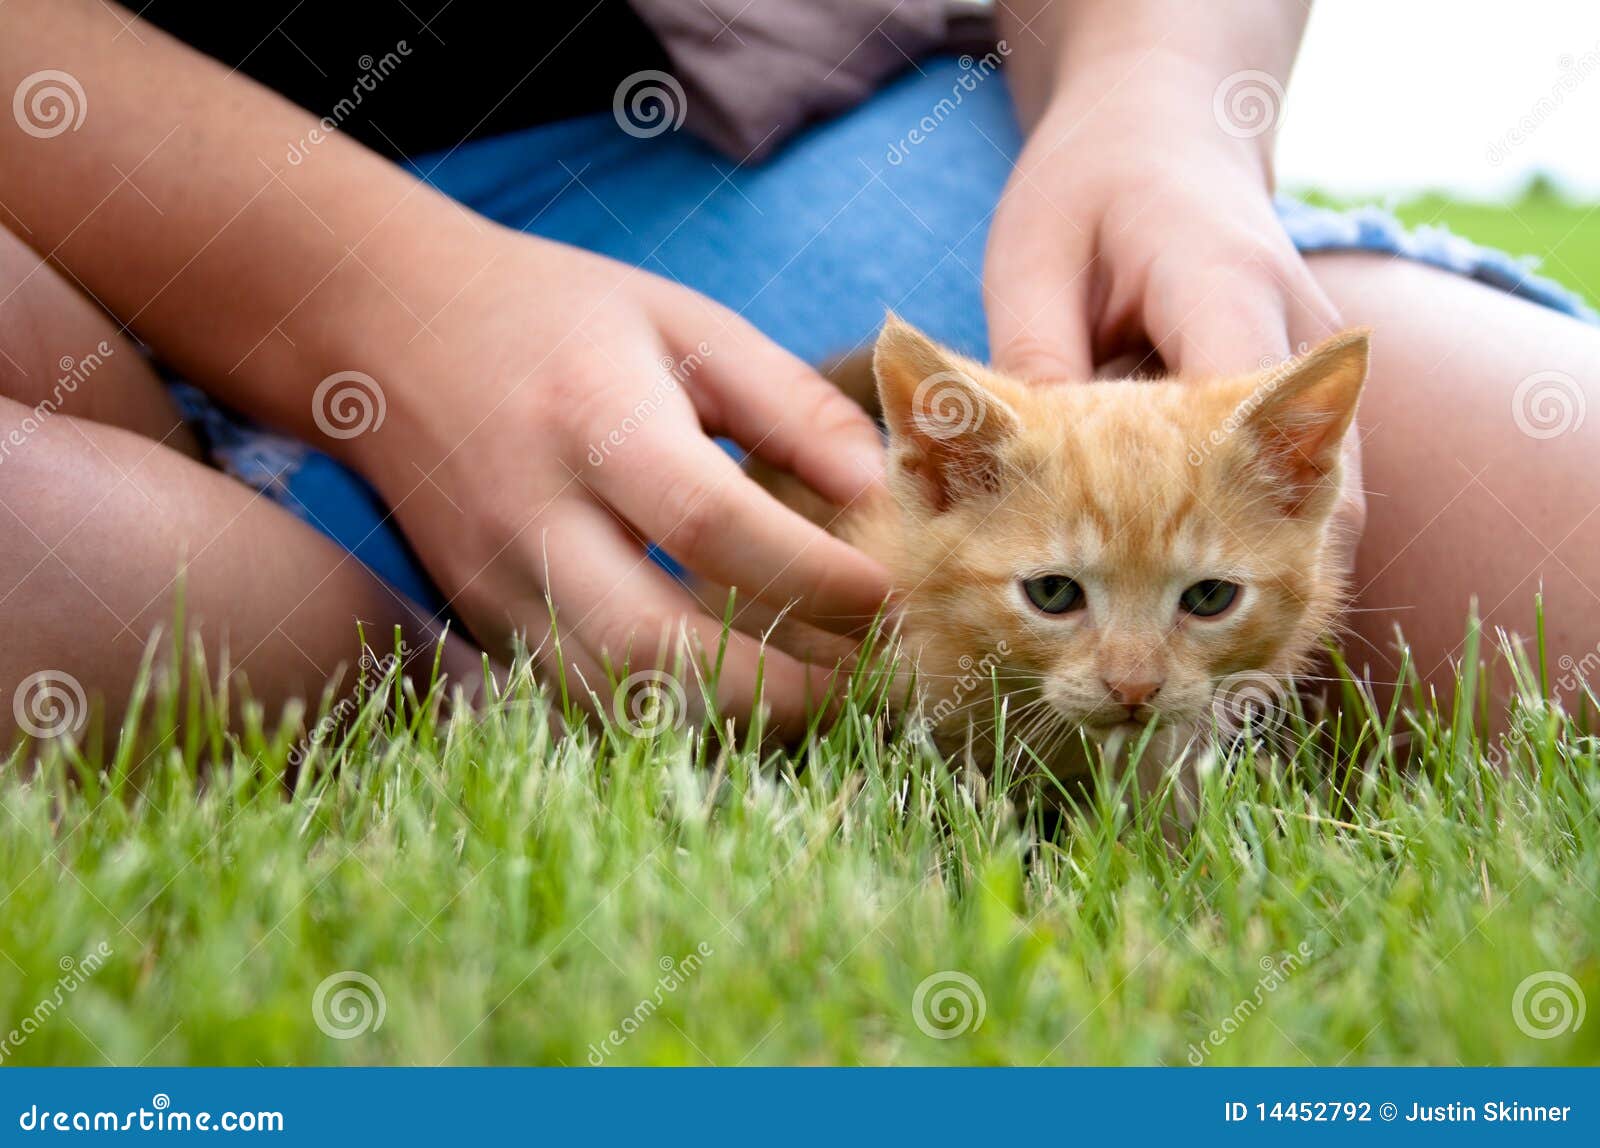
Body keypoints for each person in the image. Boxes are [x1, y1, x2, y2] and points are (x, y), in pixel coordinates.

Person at [2, 0, 1596, 745]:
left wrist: (1158, 95)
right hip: (105, 251)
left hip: (857, 169)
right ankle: (396, 670)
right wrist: (378, 302)